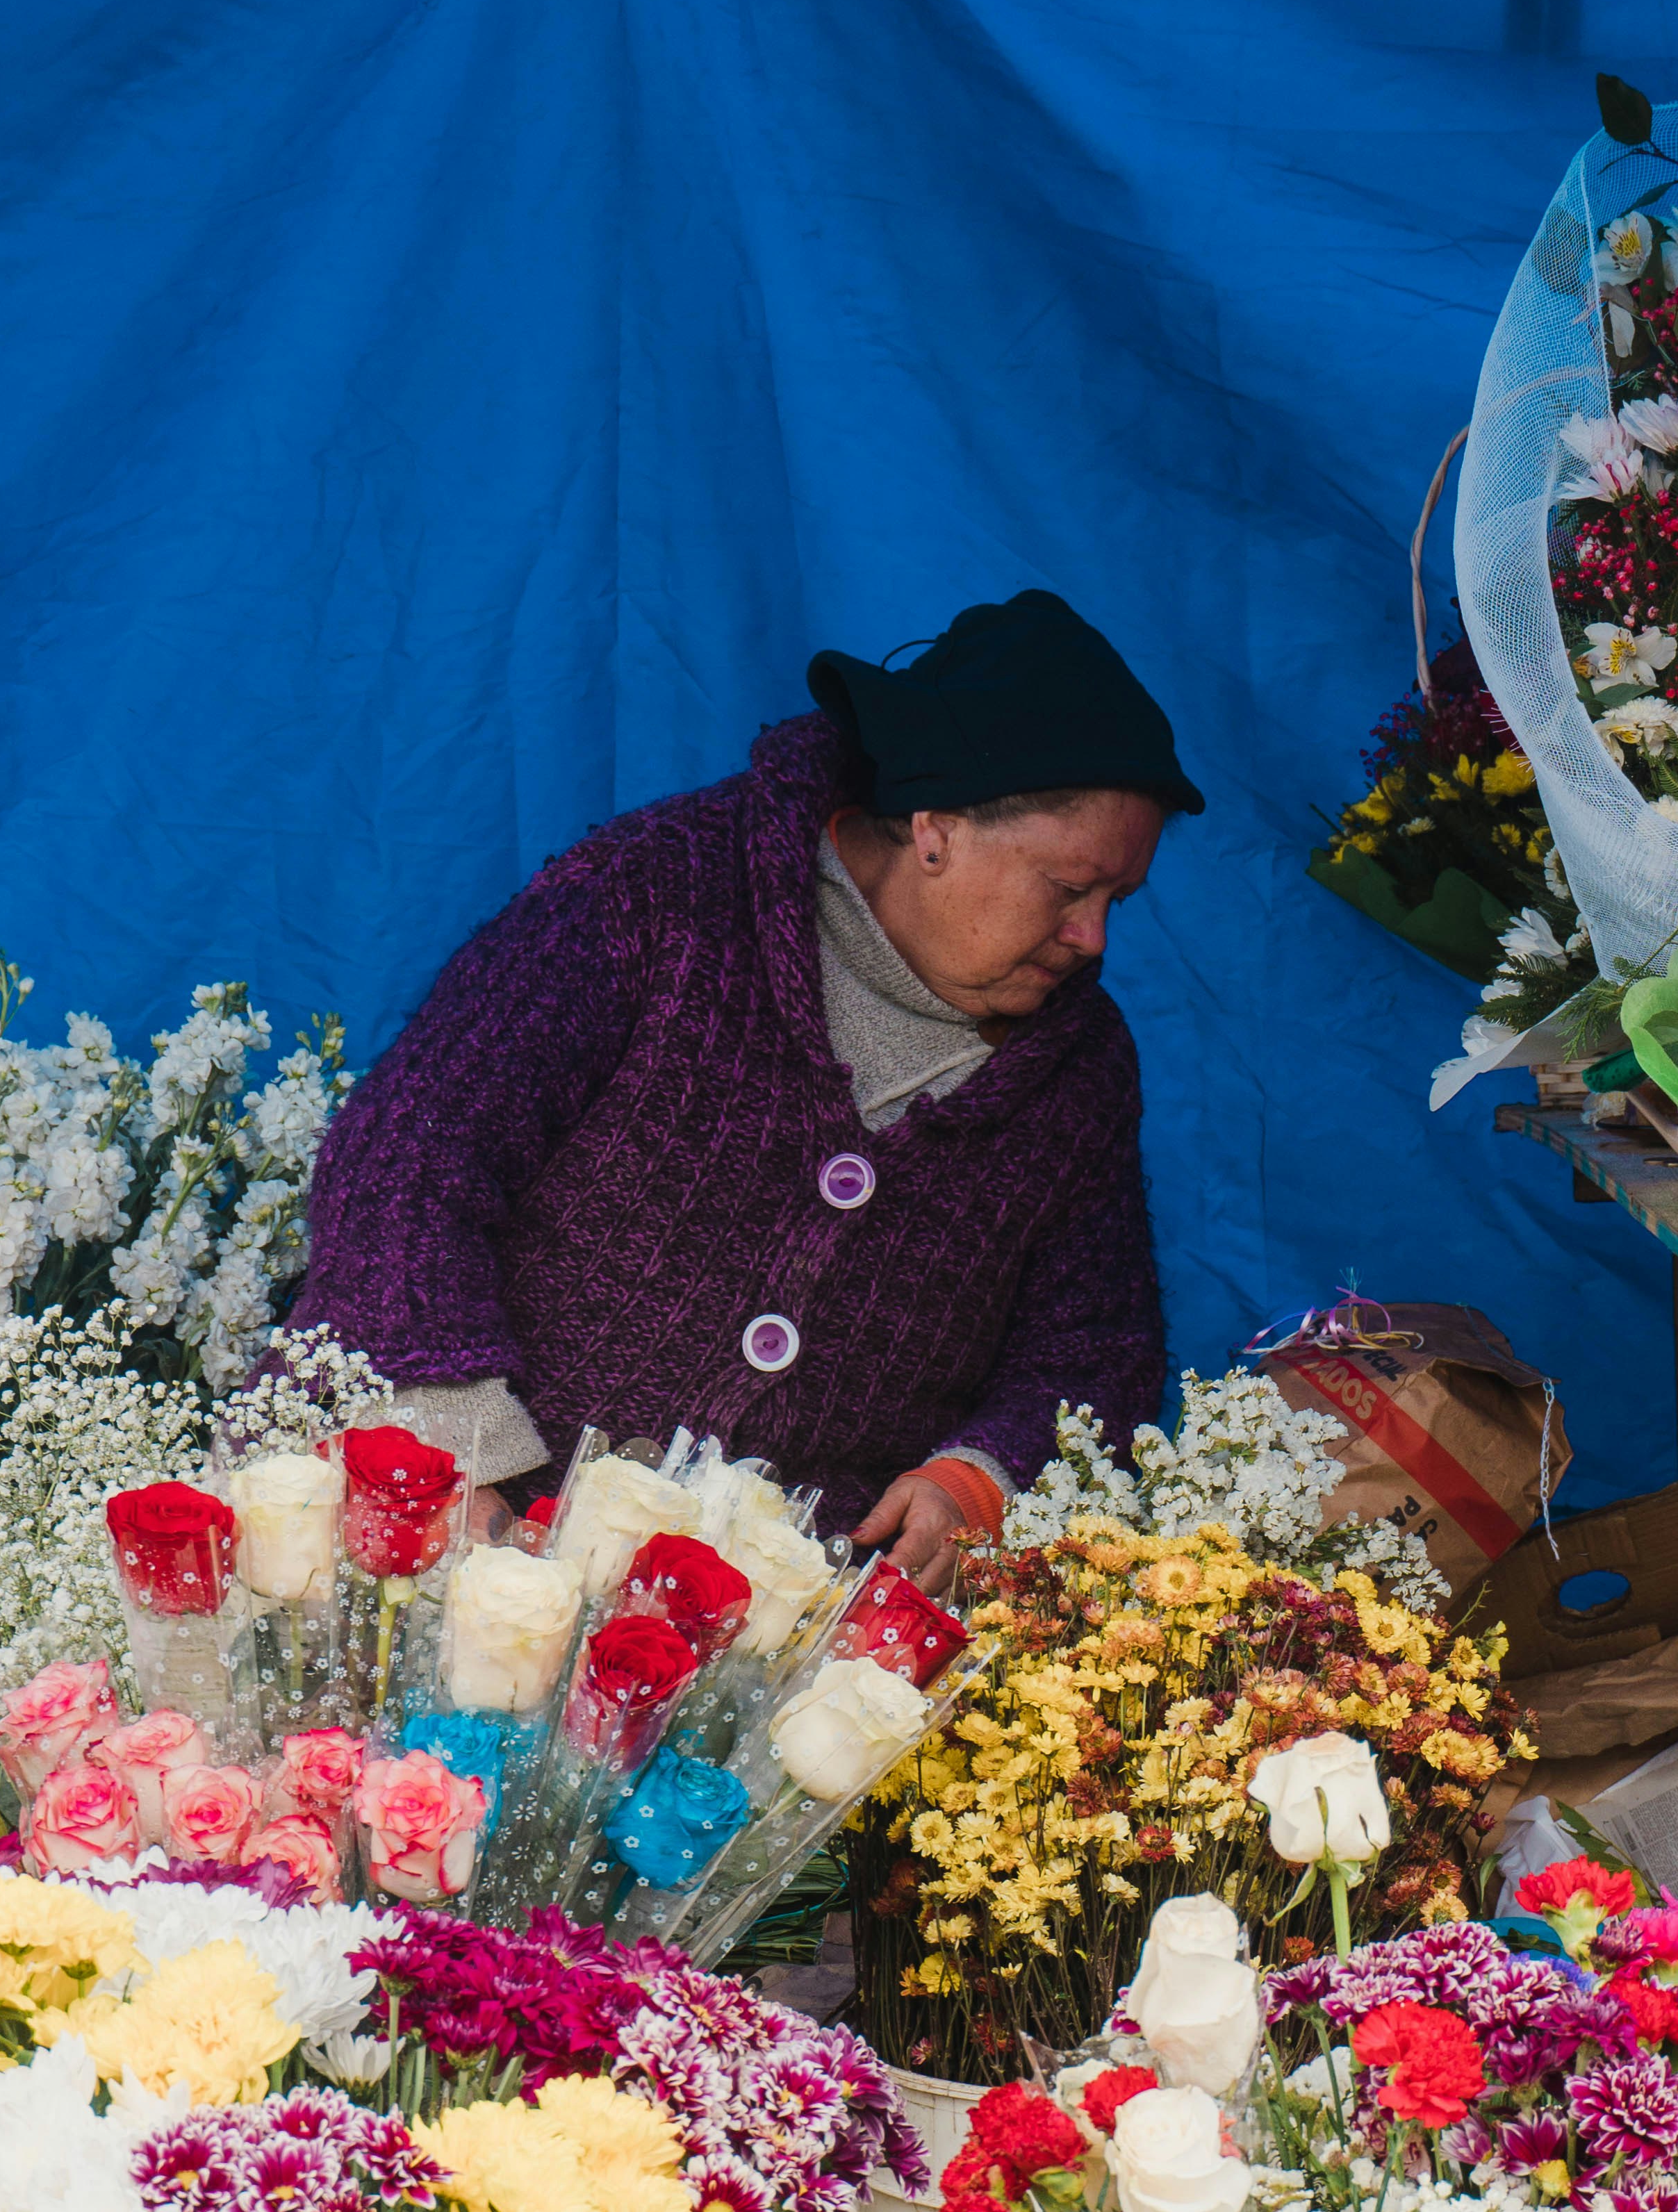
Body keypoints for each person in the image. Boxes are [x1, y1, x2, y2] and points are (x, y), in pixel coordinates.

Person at [287, 589, 1200, 1589]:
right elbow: (409, 1159)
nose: (1094, 939)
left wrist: (975, 1480)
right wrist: (445, 1460)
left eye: (1119, 900)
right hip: (449, 1531)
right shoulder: (655, 900)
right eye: (1070, 889)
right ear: (936, 827)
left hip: (767, 1643)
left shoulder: (1078, 1071)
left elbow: (1091, 1351)